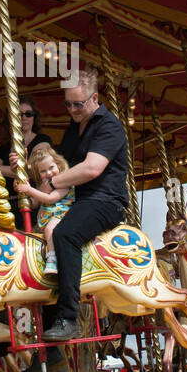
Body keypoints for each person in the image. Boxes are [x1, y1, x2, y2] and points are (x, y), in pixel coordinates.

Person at [38, 66, 128, 346]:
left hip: (104, 201)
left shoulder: (108, 125)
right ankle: (51, 335)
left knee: (66, 235)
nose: (73, 110)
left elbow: (91, 169)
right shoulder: (74, 127)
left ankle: (69, 318)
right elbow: (60, 162)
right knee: (40, 243)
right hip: (78, 201)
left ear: (94, 98)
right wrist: (30, 155)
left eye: (78, 104)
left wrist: (53, 185)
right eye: (68, 104)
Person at [15, 143, 75, 275]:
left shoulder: (63, 181)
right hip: (45, 219)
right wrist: (23, 195)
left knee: (50, 230)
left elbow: (50, 199)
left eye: (51, 168)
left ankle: (53, 259)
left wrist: (29, 190)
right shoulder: (44, 185)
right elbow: (36, 202)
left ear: (58, 165)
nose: (48, 173)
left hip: (61, 216)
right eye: (43, 171)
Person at [0, 96, 52, 222]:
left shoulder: (42, 141)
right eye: (19, 114)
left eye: (29, 114)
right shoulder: (3, 149)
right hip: (7, 203)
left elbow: (33, 170)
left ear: (34, 117)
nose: (24, 118)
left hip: (32, 200)